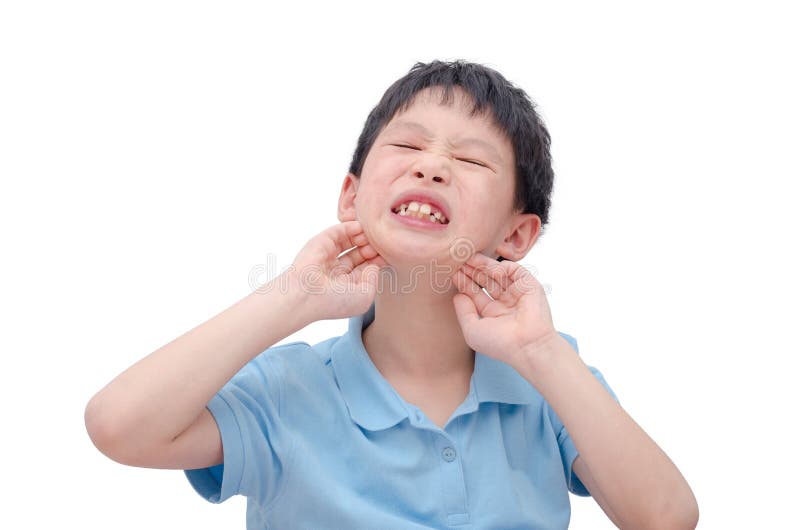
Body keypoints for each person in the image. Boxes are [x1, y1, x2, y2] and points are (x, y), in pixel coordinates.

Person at [85, 60, 699, 529]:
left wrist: (541, 351)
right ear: (351, 197)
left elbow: (666, 518)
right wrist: (294, 296)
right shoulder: (287, 391)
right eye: (407, 146)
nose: (431, 167)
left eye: (471, 160)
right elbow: (118, 427)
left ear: (516, 235)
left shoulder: (549, 379)